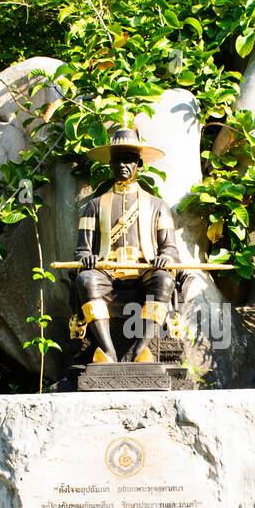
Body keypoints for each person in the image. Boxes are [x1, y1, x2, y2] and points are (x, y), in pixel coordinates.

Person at [74, 127, 181, 363]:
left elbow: (170, 248)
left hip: (145, 270)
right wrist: (87, 259)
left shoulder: (157, 205)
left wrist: (166, 258)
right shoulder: (94, 206)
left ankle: (142, 350)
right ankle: (107, 351)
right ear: (110, 165)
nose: (123, 165)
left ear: (139, 164)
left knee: (164, 279)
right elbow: (82, 250)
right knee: (86, 280)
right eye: (118, 160)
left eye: (129, 160)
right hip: (107, 271)